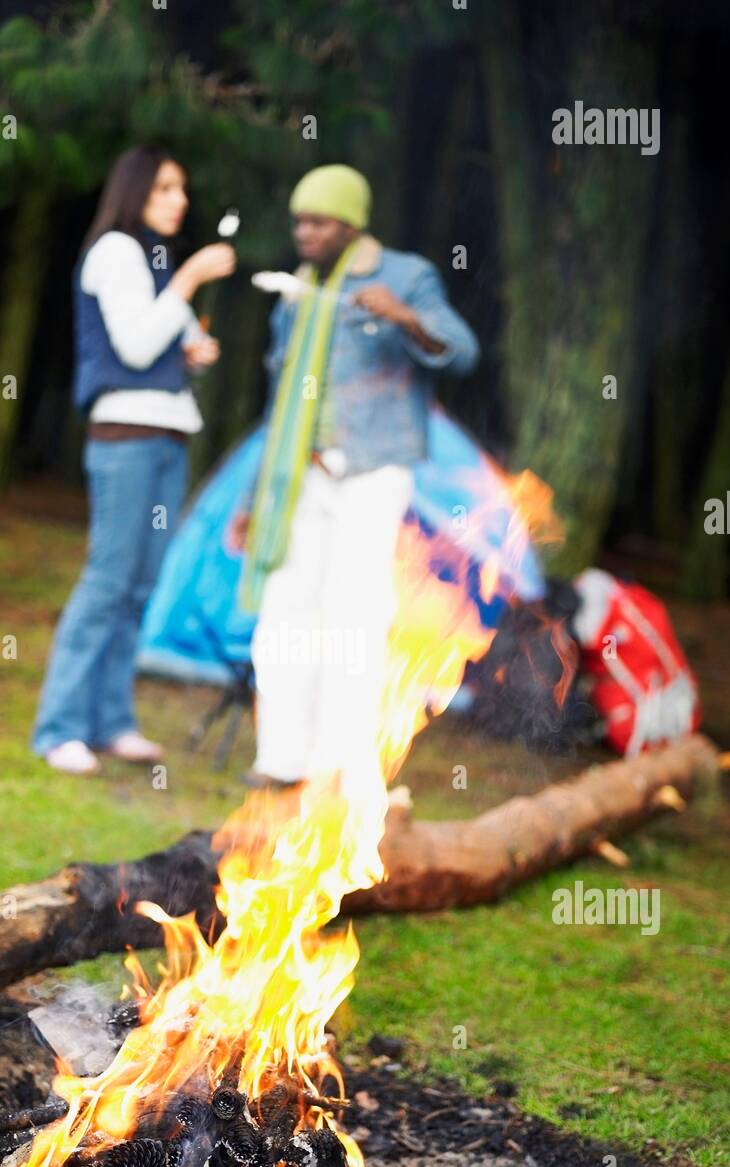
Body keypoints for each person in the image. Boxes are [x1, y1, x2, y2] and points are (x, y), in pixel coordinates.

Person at [230, 164, 478, 790]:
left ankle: (337, 766)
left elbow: (463, 350)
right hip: (300, 475)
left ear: (350, 223)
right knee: (286, 612)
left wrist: (404, 317)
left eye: (317, 222)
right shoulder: (299, 289)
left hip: (373, 469)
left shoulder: (404, 276)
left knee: (354, 616)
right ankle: (280, 759)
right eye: (298, 222)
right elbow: (281, 397)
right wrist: (250, 496)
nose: (303, 233)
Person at [33, 146, 235, 774]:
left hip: (166, 434)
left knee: (140, 586)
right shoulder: (116, 251)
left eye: (182, 189)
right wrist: (191, 280)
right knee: (108, 579)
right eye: (166, 188)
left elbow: (162, 342)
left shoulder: (149, 257)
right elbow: (134, 342)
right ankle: (59, 727)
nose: (180, 200)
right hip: (125, 437)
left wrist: (193, 349)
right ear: (136, 190)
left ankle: (111, 721)